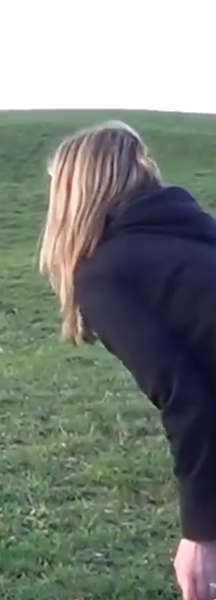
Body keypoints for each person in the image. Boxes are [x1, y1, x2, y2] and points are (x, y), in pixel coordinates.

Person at [38, 120, 216, 600]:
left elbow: (188, 400)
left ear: (76, 194)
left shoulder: (107, 273)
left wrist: (201, 534)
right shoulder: (196, 236)